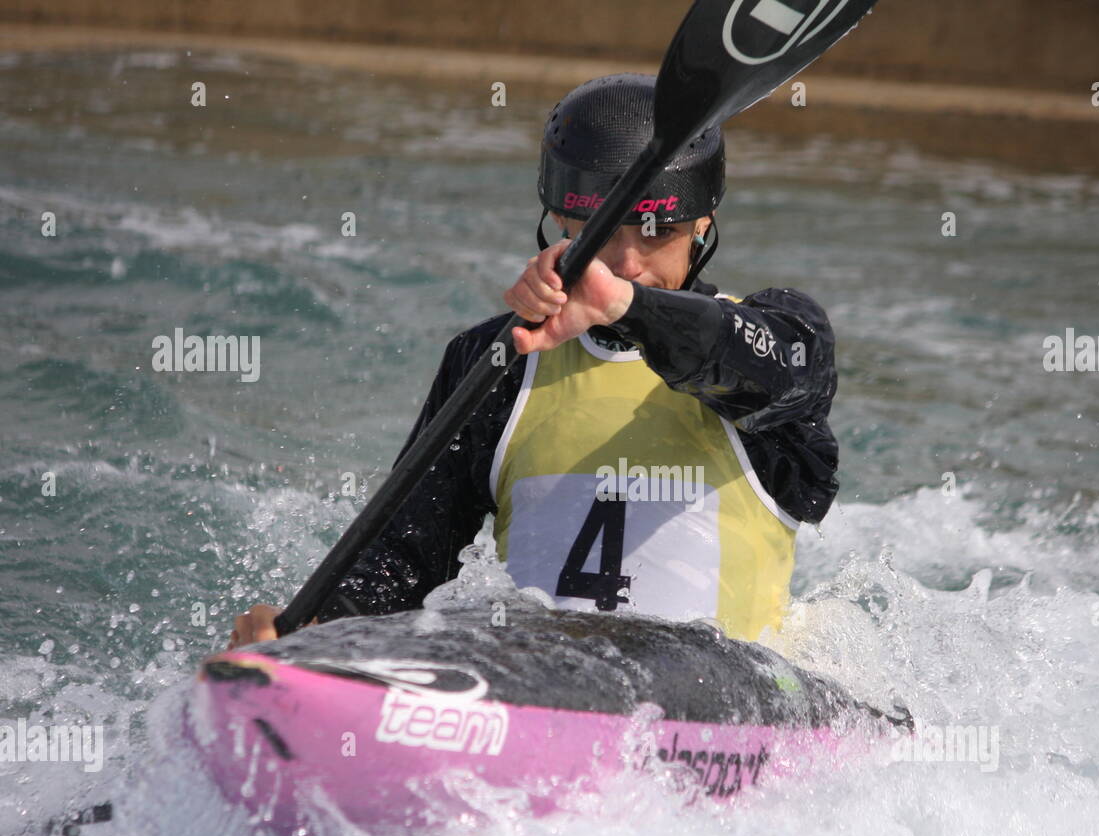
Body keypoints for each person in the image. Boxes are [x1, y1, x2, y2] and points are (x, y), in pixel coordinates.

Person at [229, 72, 839, 649]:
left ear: (703, 224)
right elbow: (402, 571)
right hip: (540, 688)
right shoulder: (495, 361)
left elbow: (765, 371)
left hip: (727, 701)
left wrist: (624, 305)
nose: (626, 262)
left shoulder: (782, 337)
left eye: (655, 232)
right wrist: (312, 633)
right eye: (601, 230)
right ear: (558, 219)